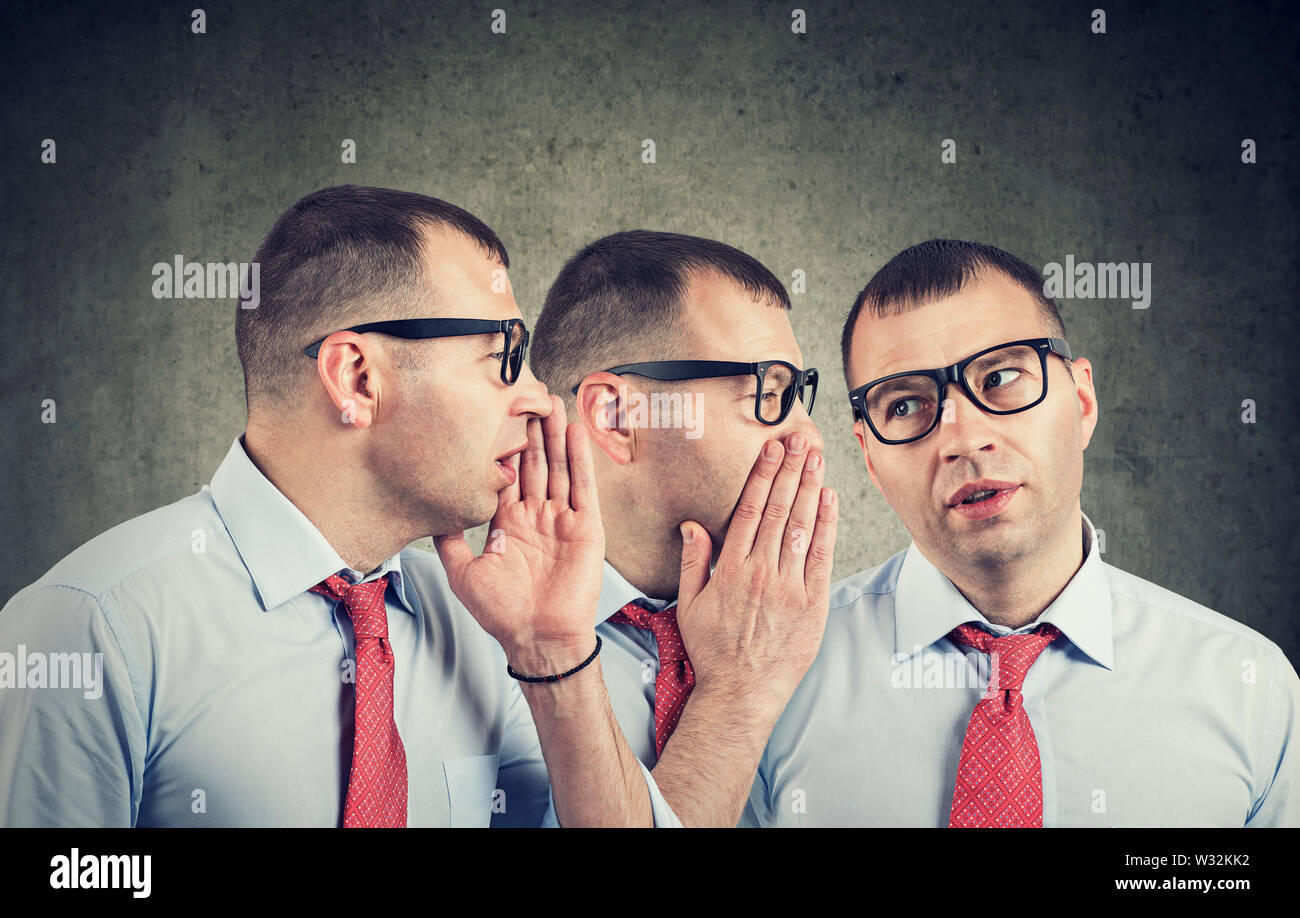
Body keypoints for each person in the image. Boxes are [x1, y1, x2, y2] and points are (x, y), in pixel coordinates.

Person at [0, 185, 674, 828]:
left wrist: (553, 651)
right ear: (356, 377)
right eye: (503, 357)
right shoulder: (91, 625)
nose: (540, 398)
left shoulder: (488, 626)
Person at [743, 238, 1300, 826]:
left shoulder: (1250, 689)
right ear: (871, 459)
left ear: (1082, 401)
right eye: (905, 406)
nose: (963, 438)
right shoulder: (772, 679)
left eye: (1002, 376)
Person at [529, 230, 838, 826]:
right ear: (617, 416)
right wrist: (737, 696)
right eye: (767, 394)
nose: (808, 437)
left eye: (799, 396)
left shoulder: (829, 645)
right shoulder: (471, 650)